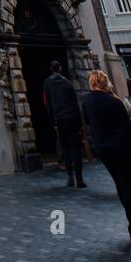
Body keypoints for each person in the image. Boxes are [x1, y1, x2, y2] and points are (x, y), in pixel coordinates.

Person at [82, 70, 131, 244]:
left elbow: (86, 121)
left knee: (119, 184)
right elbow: (128, 129)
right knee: (128, 187)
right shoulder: (115, 101)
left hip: (103, 148)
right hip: (121, 148)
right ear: (105, 82)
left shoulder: (87, 101)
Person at [43, 59, 85, 188]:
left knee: (65, 149)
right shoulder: (67, 83)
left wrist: (53, 122)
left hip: (59, 120)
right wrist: (80, 123)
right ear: (60, 68)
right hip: (72, 120)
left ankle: (70, 178)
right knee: (76, 150)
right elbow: (75, 104)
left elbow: (48, 104)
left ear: (51, 69)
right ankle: (79, 179)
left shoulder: (47, 83)